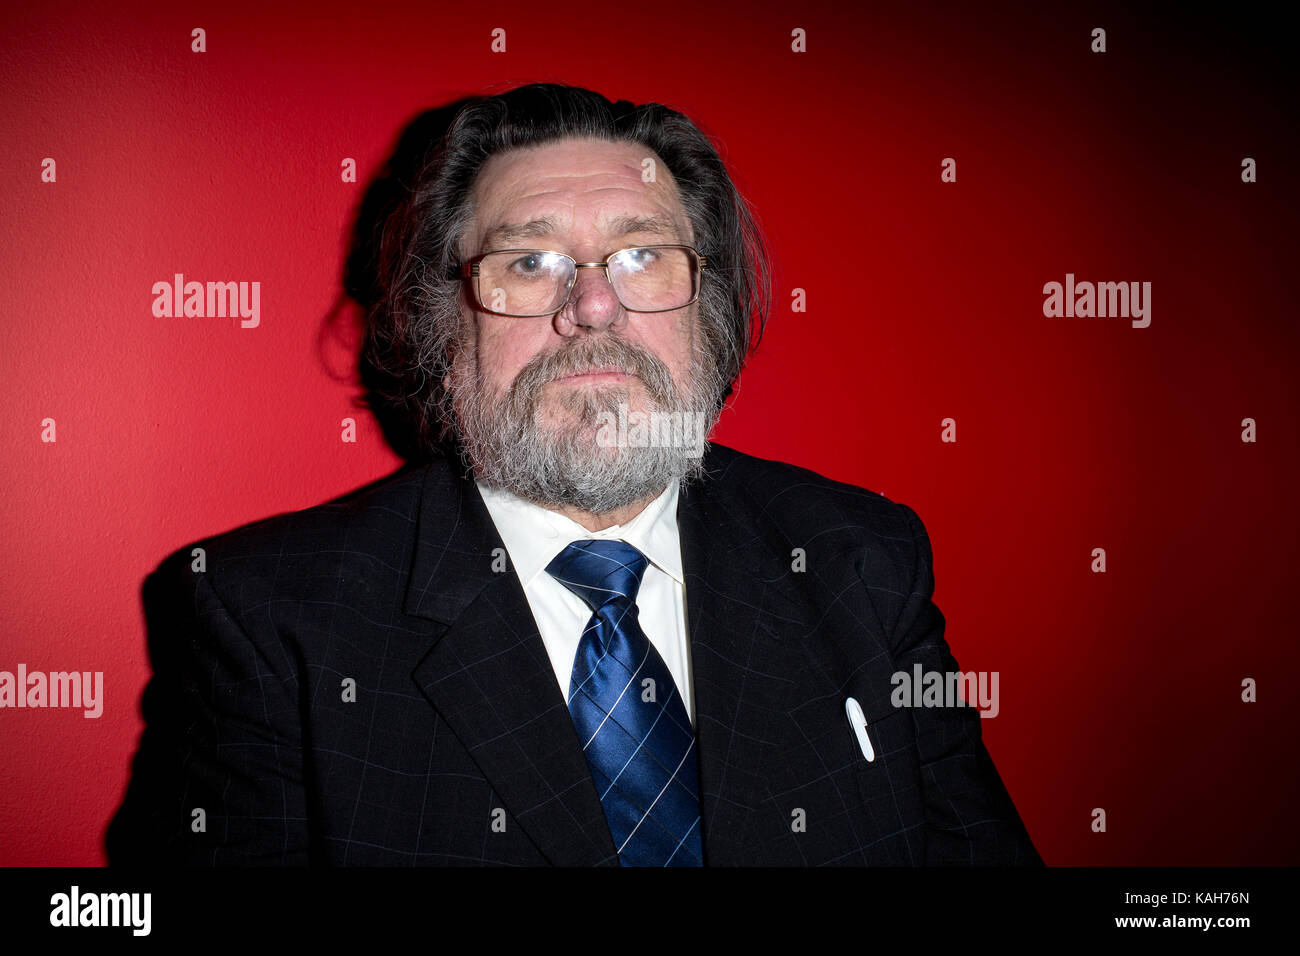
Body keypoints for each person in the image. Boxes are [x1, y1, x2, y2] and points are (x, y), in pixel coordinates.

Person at [107, 83, 1041, 867]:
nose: (593, 306)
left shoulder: (862, 560)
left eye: (642, 256)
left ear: (704, 309)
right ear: (445, 325)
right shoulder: (270, 620)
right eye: (528, 260)